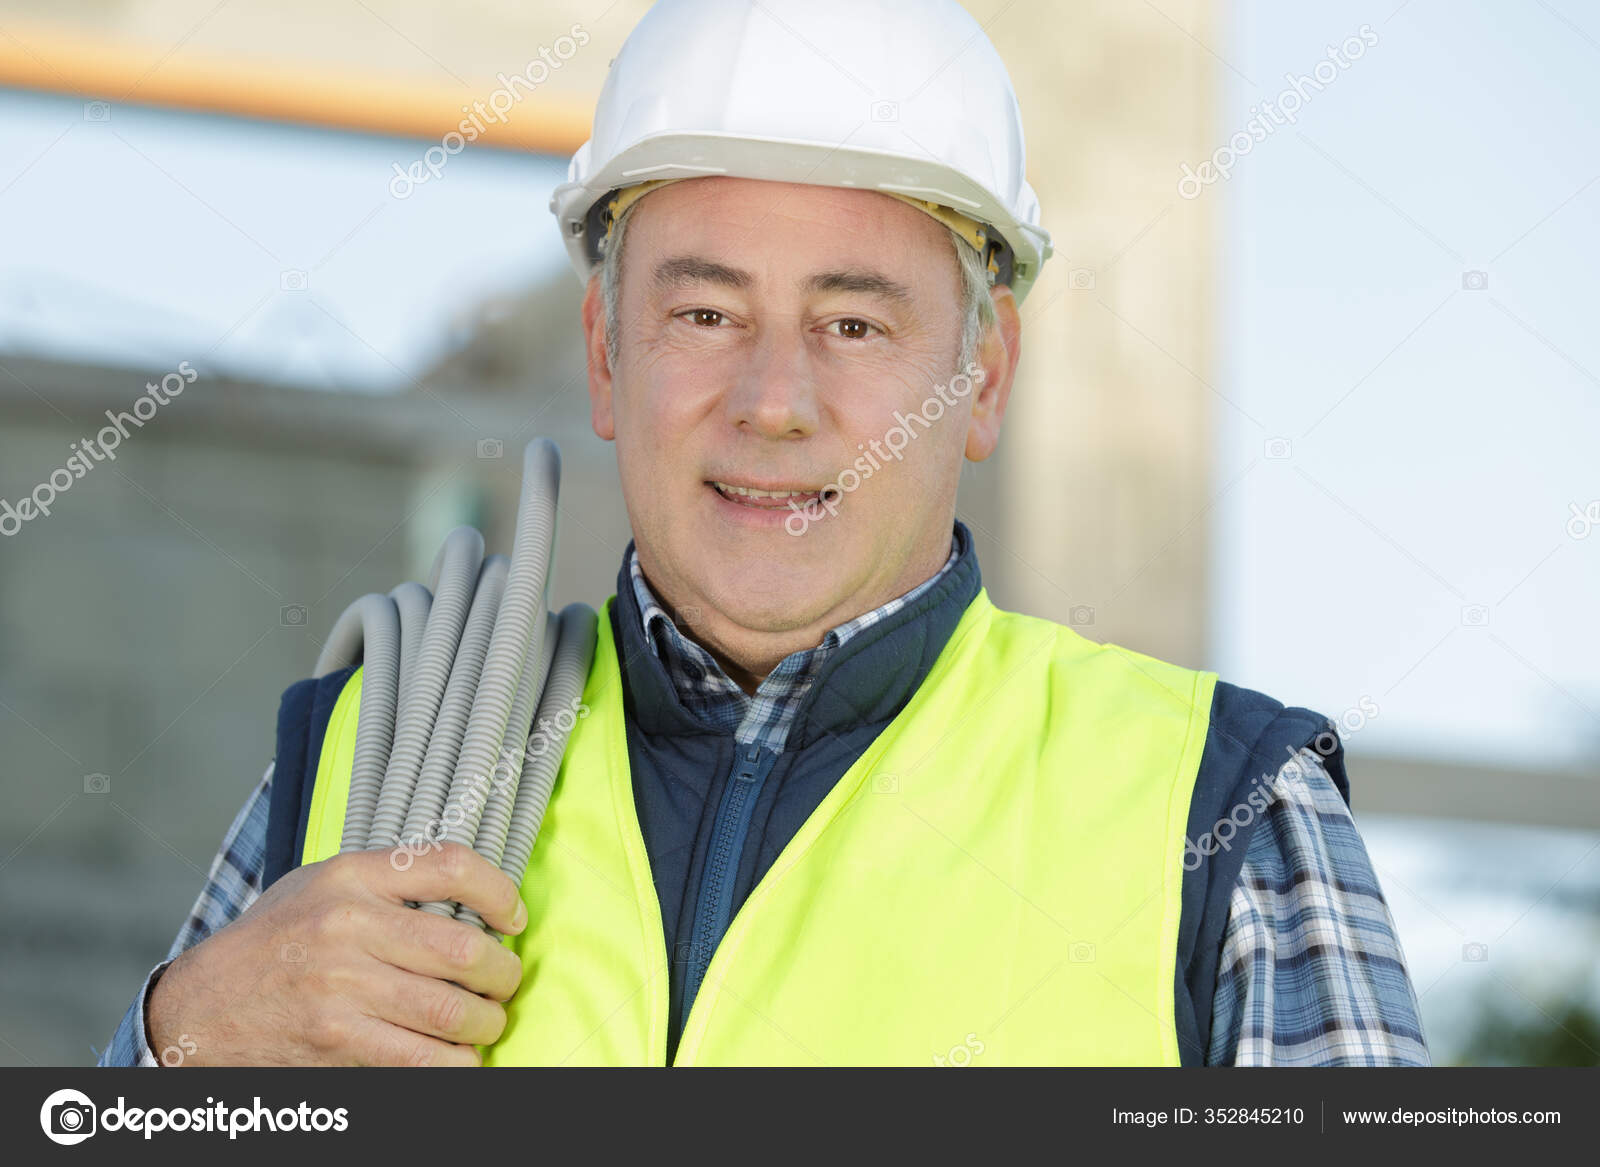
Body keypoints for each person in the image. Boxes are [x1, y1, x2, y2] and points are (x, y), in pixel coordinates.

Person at [100, 0, 1427, 1067]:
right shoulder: (354, 764)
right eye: (705, 315)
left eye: (854, 325)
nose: (775, 403)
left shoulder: (1226, 812)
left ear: (987, 375)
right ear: (606, 360)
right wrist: (177, 1044)